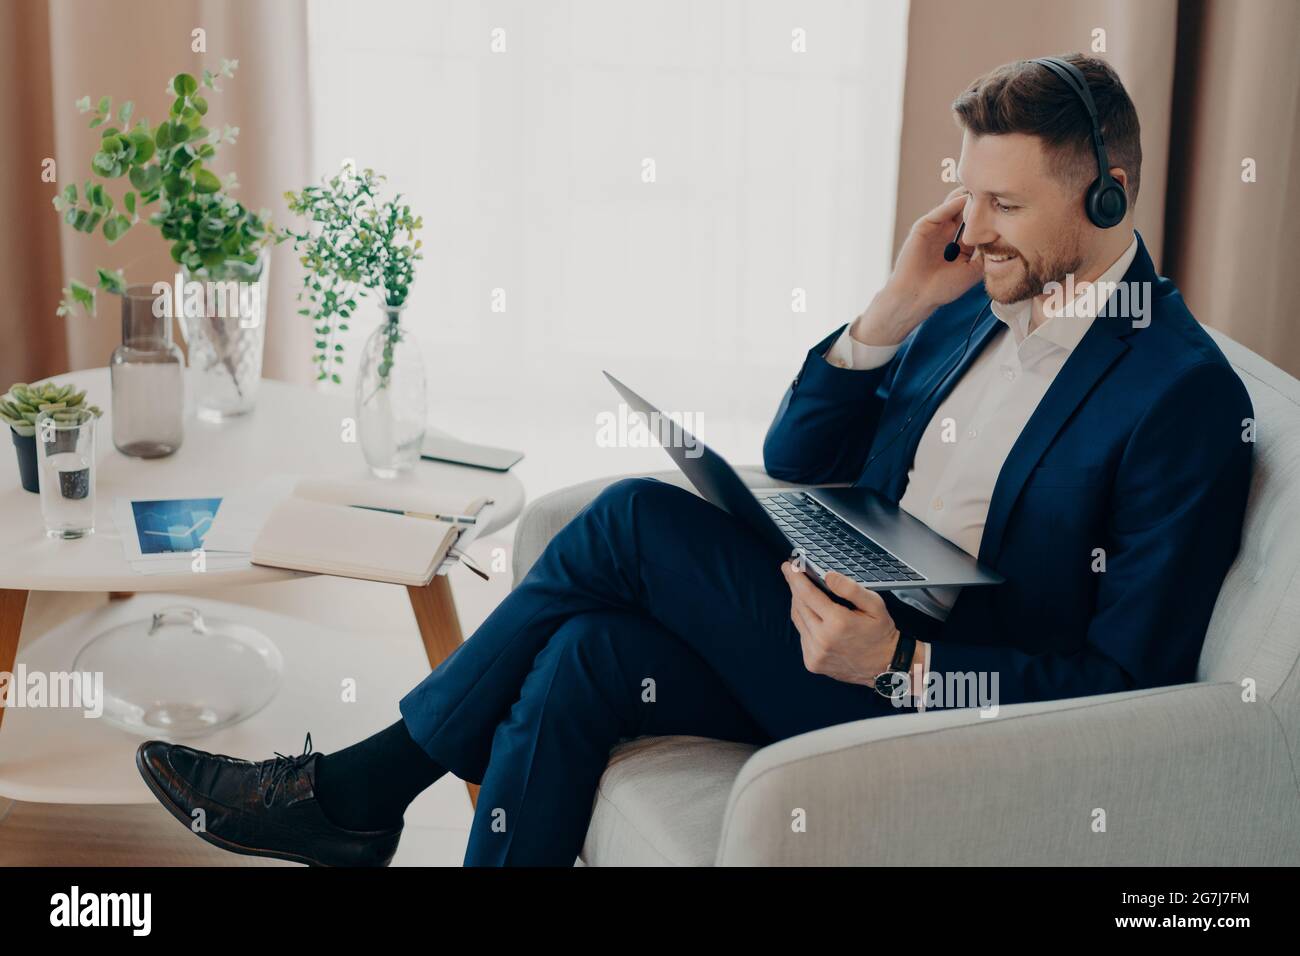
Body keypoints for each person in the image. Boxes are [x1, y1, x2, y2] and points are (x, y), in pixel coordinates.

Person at [135, 53, 1253, 867]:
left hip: (936, 708)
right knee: (581, 655)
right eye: (968, 194)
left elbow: (1128, 687)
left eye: (1006, 203)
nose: (977, 225)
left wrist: (901, 667)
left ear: (1106, 198)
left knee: (626, 517)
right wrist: (897, 302)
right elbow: (798, 454)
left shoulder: (1181, 398)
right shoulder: (971, 293)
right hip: (847, 617)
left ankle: (357, 789)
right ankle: (361, 803)